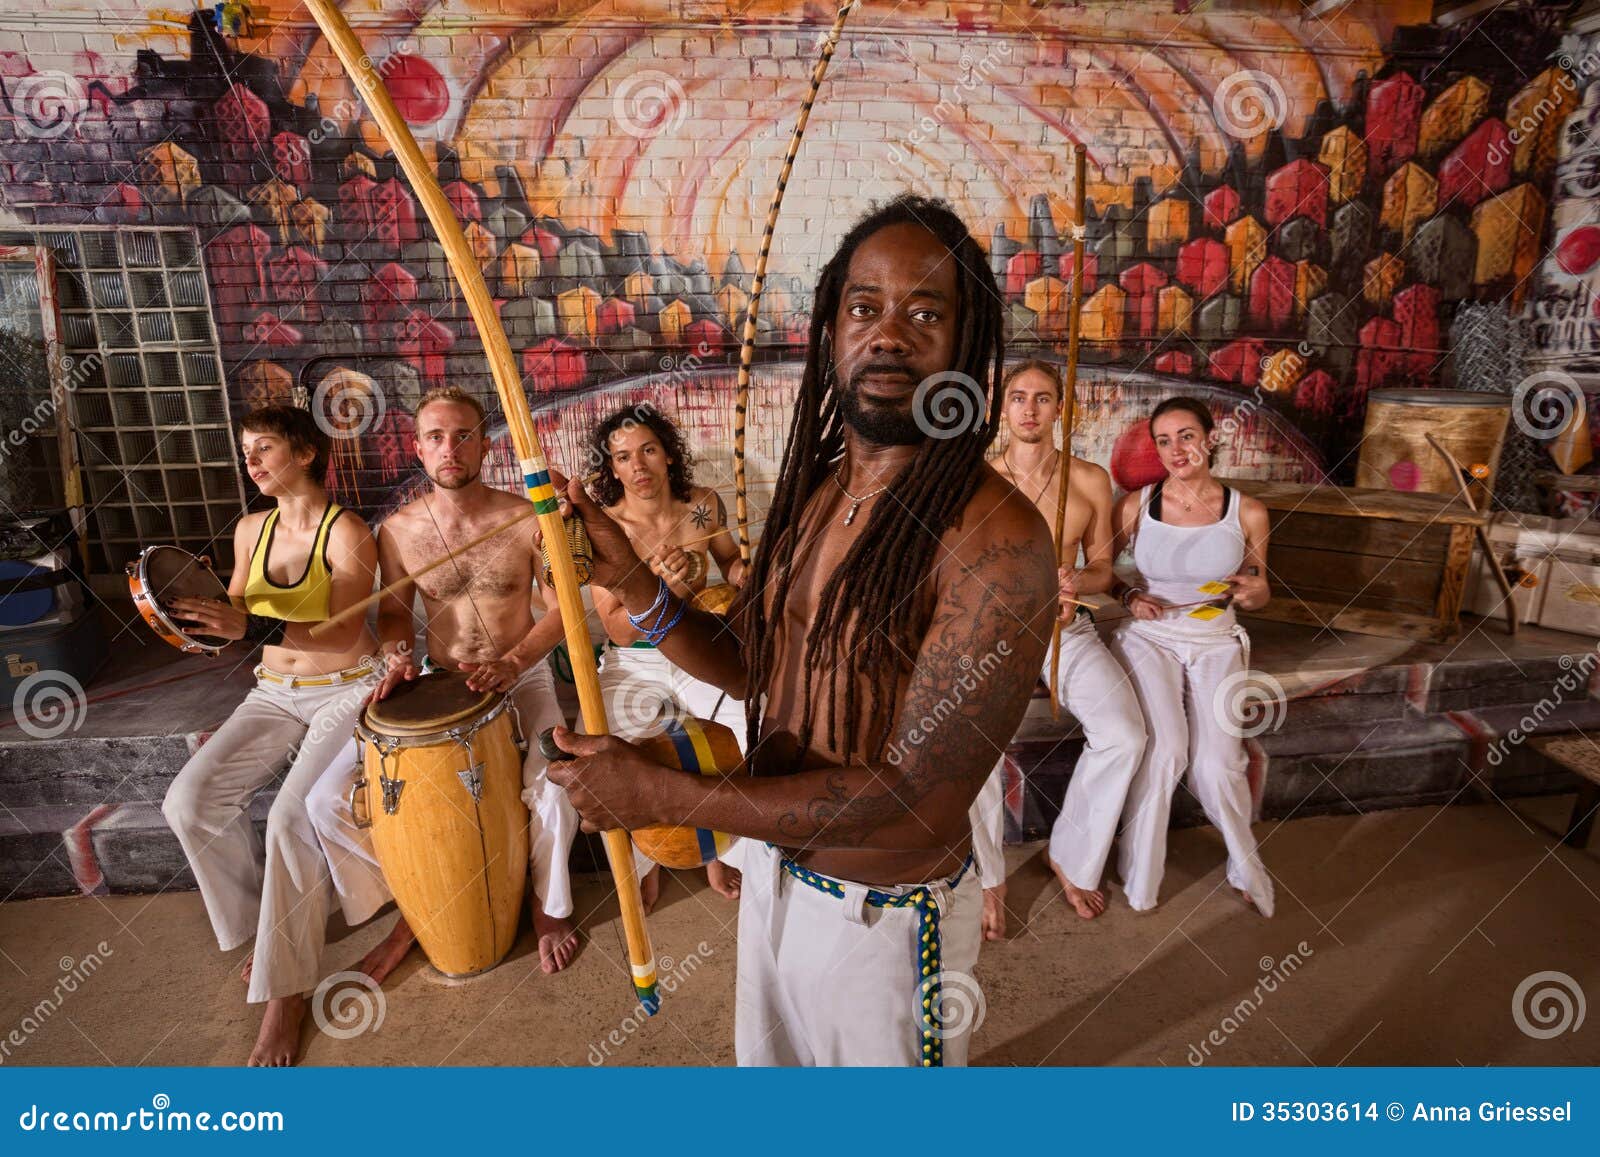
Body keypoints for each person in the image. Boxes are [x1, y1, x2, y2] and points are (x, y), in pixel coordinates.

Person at [546, 195, 1057, 1067]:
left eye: (924, 314)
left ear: (967, 347)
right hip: (775, 878)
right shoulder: (817, 493)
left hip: (885, 927)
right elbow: (752, 665)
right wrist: (629, 578)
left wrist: (669, 800)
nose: (887, 335)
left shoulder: (997, 537)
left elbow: (917, 800)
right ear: (830, 330)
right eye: (864, 307)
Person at [305, 386, 576, 976]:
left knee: (556, 788)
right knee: (325, 800)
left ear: (484, 445)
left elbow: (563, 613)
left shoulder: (527, 519)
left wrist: (514, 662)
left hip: (521, 676)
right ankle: (414, 905)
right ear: (418, 449)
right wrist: (399, 659)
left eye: (462, 436)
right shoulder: (398, 531)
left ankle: (548, 907)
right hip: (441, 681)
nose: (449, 448)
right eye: (436, 437)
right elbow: (395, 615)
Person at [161, 403, 382, 1066]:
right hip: (274, 691)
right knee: (189, 801)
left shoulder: (348, 532)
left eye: (264, 448)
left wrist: (247, 624)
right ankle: (272, 932)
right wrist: (194, 619)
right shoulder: (250, 528)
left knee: (291, 817)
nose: (251, 461)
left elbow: (342, 628)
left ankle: (285, 995)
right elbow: (234, 611)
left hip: (348, 686)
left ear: (305, 453)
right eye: (246, 451)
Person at [970, 361, 1146, 930]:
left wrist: (1073, 583)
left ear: (1060, 409)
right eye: (1018, 397)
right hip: (993, 633)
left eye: (1043, 398)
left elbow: (1102, 568)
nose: (1030, 409)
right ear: (1002, 408)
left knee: (1125, 734)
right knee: (975, 746)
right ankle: (989, 879)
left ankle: (1071, 855)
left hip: (1064, 628)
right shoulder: (977, 480)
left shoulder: (1088, 480)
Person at [1107, 396, 1275, 917]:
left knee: (1219, 764)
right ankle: (1140, 876)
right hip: (1150, 638)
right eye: (1164, 440)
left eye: (1186, 436)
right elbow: (1103, 573)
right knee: (1166, 751)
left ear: (1210, 438)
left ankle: (1245, 866)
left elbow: (1259, 588)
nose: (1176, 449)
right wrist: (1130, 597)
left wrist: (1253, 593)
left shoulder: (1247, 511)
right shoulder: (1136, 505)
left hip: (1215, 640)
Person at [584, 403, 748, 906]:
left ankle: (723, 851)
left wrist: (746, 574)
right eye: (623, 457)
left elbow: (730, 560)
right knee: (615, 750)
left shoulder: (702, 506)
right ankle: (648, 860)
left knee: (747, 732)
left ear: (669, 455)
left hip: (697, 645)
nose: (639, 466)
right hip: (636, 660)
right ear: (612, 469)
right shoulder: (605, 529)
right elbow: (619, 630)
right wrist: (659, 590)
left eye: (649, 450)